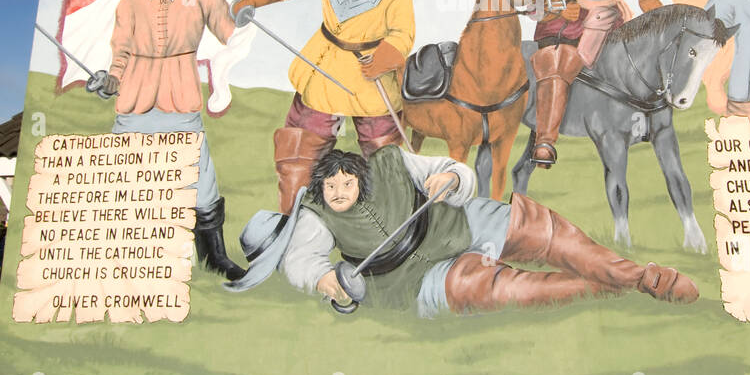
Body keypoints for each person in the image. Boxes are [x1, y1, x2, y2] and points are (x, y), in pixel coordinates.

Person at [226, 145, 699, 316]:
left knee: (540, 229)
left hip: (451, 220)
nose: (339, 192)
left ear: (358, 173)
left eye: (346, 182)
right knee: (494, 289)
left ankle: (638, 276)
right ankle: (607, 290)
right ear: (319, 189)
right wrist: (328, 281)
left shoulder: (391, 161)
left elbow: (452, 169)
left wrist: (450, 179)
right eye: (331, 188)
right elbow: (302, 261)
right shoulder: (314, 216)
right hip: (408, 281)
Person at [90, 0, 247, 280]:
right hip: (136, 97)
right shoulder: (130, 2)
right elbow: (121, 48)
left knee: (200, 177)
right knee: (123, 174)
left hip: (181, 95)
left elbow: (228, 30)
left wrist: (243, 13)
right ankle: (121, 257)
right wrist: (113, 79)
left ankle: (213, 256)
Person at [231, 0, 415, 215]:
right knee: (299, 151)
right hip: (325, 69)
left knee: (384, 155)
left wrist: (382, 59)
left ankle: (391, 220)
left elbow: (402, 33)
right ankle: (288, 218)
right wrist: (251, 0)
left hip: (369, 76)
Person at [529, 0, 665, 167]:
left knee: (637, 59)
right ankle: (545, 141)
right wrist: (564, 1)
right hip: (566, 24)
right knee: (558, 63)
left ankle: (646, 120)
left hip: (609, 21)